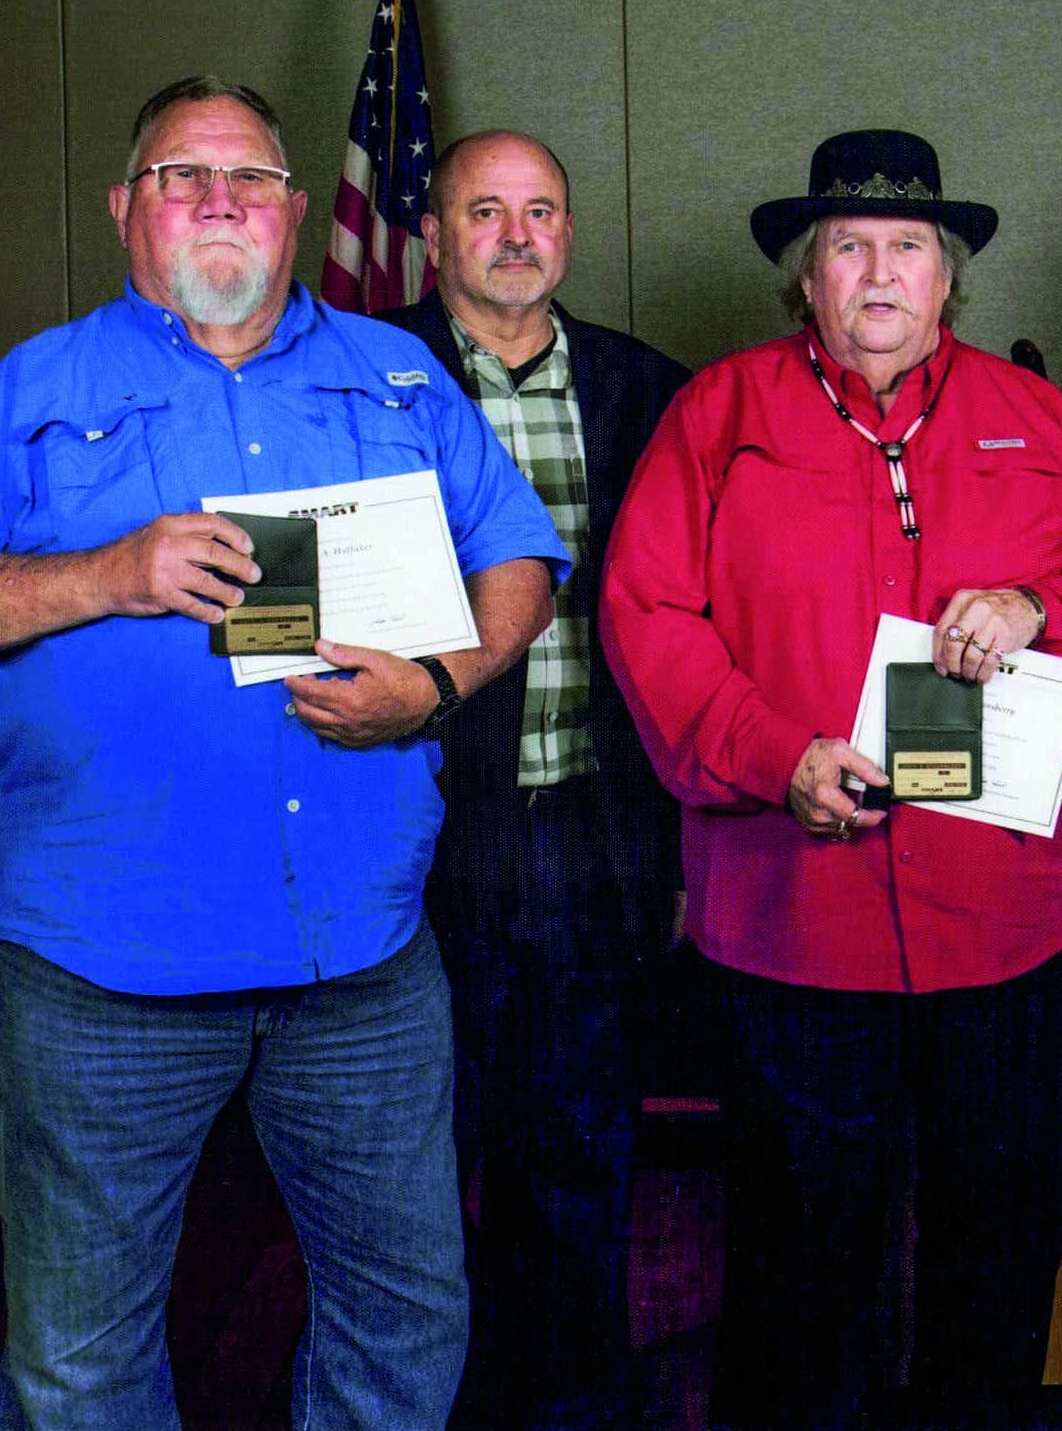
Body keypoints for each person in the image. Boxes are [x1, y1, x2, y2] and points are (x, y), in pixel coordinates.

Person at [0, 76, 569, 1431]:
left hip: (359, 956)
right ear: (127, 209)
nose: (219, 201)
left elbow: (519, 552)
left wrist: (442, 676)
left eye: (249, 181)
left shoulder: (396, 377)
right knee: (77, 1352)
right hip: (103, 968)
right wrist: (105, 573)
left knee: (406, 1314)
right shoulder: (34, 392)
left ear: (297, 215)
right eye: (184, 177)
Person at [600, 129, 1062, 1428]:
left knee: (997, 1258)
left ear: (950, 278)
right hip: (791, 925)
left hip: (1006, 932)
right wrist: (768, 754)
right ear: (804, 279)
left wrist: (1040, 605)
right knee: (801, 1267)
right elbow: (647, 616)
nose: (879, 271)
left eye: (908, 246)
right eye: (846, 246)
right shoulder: (717, 414)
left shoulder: (1038, 422)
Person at [377, 129, 688, 1429]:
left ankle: (563, 1398)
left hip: (596, 822)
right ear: (433, 235)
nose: (516, 234)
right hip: (420, 819)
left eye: (541, 210)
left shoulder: (649, 389)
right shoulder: (358, 374)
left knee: (577, 1138)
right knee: (405, 1149)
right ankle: (420, 1395)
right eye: (484, 209)